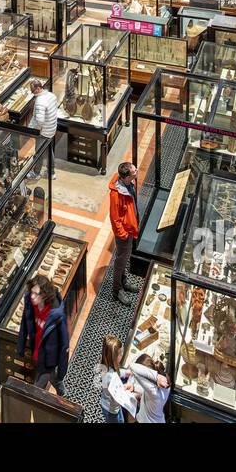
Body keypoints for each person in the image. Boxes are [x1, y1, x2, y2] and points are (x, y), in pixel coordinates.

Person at [18, 275, 69, 396]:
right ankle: (62, 391)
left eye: (36, 294)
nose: (32, 296)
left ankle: (38, 405)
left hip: (48, 358)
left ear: (45, 295)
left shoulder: (57, 315)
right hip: (36, 351)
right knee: (53, 376)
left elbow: (64, 345)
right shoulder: (30, 302)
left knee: (36, 390)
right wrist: (21, 346)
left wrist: (62, 370)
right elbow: (24, 322)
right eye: (31, 292)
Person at [107, 161, 140, 304]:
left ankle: (123, 281)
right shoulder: (117, 195)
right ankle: (117, 289)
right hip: (124, 234)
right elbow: (115, 218)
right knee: (121, 261)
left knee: (125, 259)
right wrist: (123, 234)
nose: (137, 171)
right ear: (126, 177)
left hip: (130, 230)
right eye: (134, 172)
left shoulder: (128, 185)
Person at [91, 335, 137, 423]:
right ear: (115, 357)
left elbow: (114, 374)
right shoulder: (110, 377)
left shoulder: (105, 364)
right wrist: (131, 392)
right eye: (121, 353)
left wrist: (125, 373)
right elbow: (118, 395)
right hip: (110, 409)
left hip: (110, 404)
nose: (122, 354)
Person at [128, 354, 171, 424]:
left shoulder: (153, 390)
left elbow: (132, 366)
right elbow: (148, 393)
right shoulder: (165, 379)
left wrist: (156, 376)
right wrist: (134, 387)